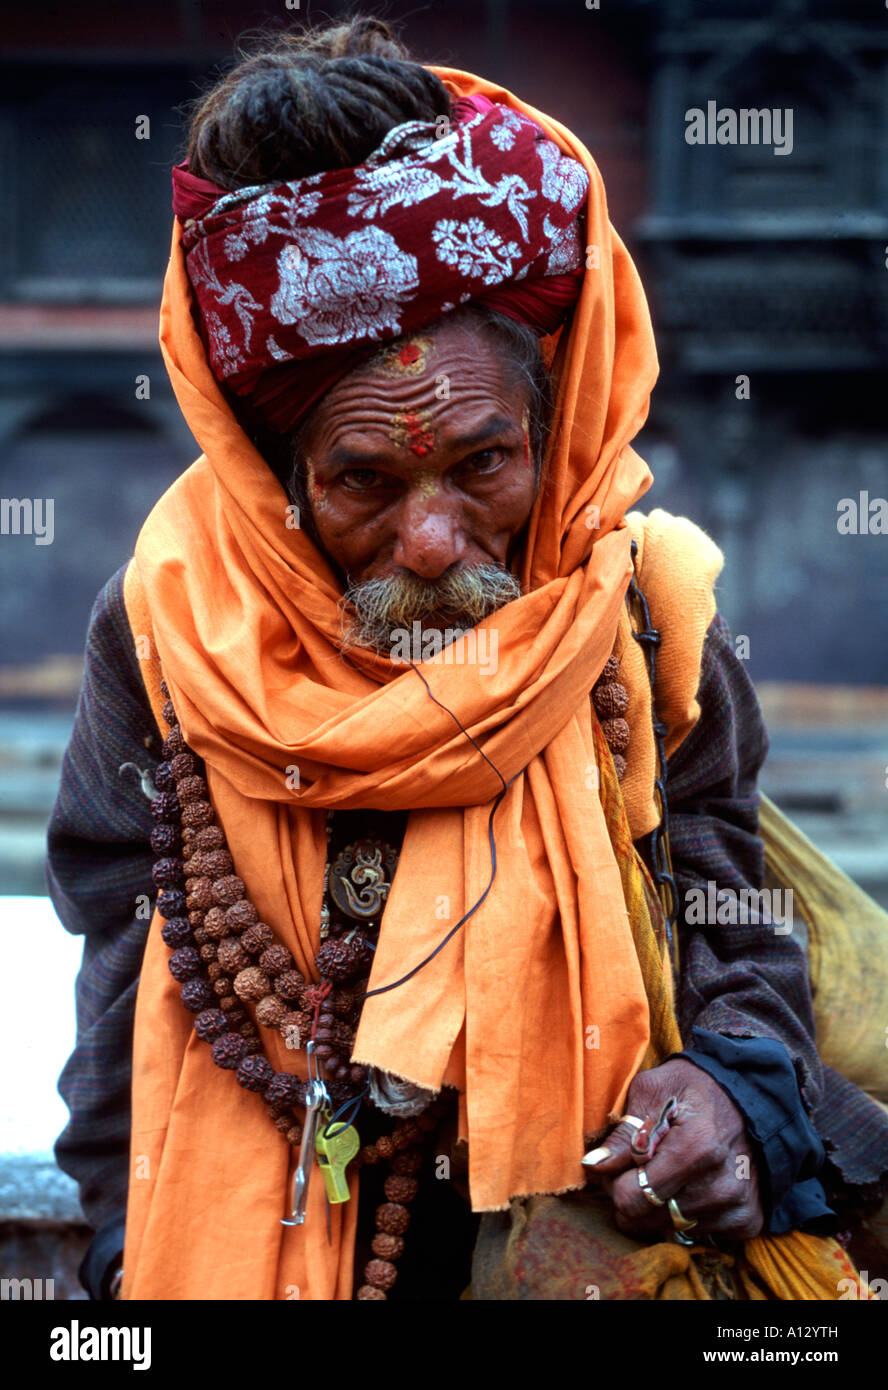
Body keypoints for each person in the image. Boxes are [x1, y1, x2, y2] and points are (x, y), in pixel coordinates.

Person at [48, 16, 886, 1301]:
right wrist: (128, 1259)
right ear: (278, 477)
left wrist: (734, 1090)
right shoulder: (167, 630)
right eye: (365, 481)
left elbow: (726, 884)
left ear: (552, 430)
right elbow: (125, 970)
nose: (434, 542)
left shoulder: (636, 603)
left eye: (484, 462)